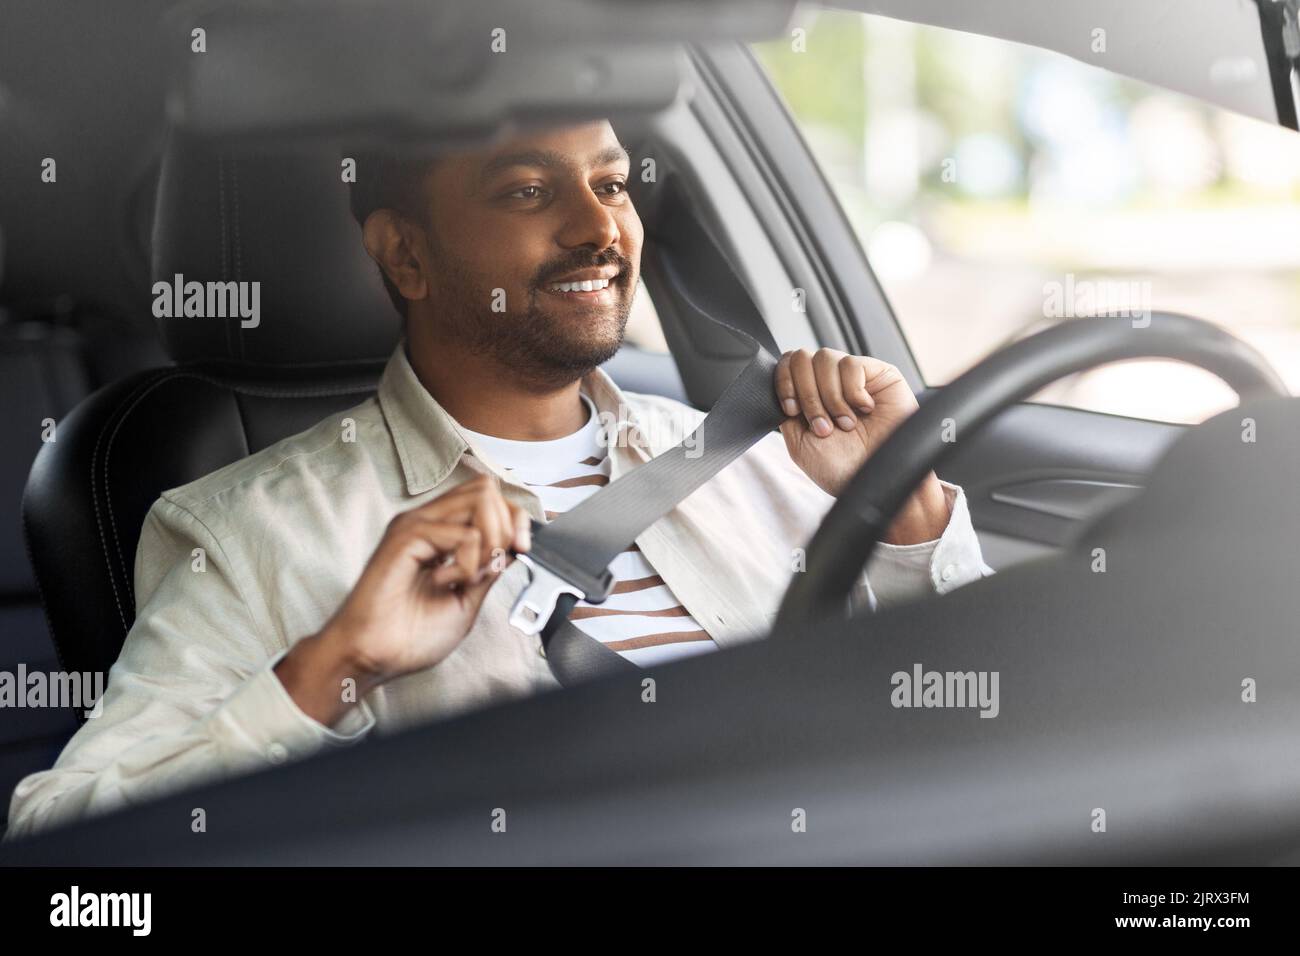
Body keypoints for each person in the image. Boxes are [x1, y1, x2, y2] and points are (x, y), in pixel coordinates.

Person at [6, 120, 990, 839]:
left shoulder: (762, 451)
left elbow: (977, 733)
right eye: (528, 191)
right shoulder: (252, 528)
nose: (598, 228)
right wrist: (333, 666)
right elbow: (73, 872)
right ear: (407, 255)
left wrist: (905, 520)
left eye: (610, 184)